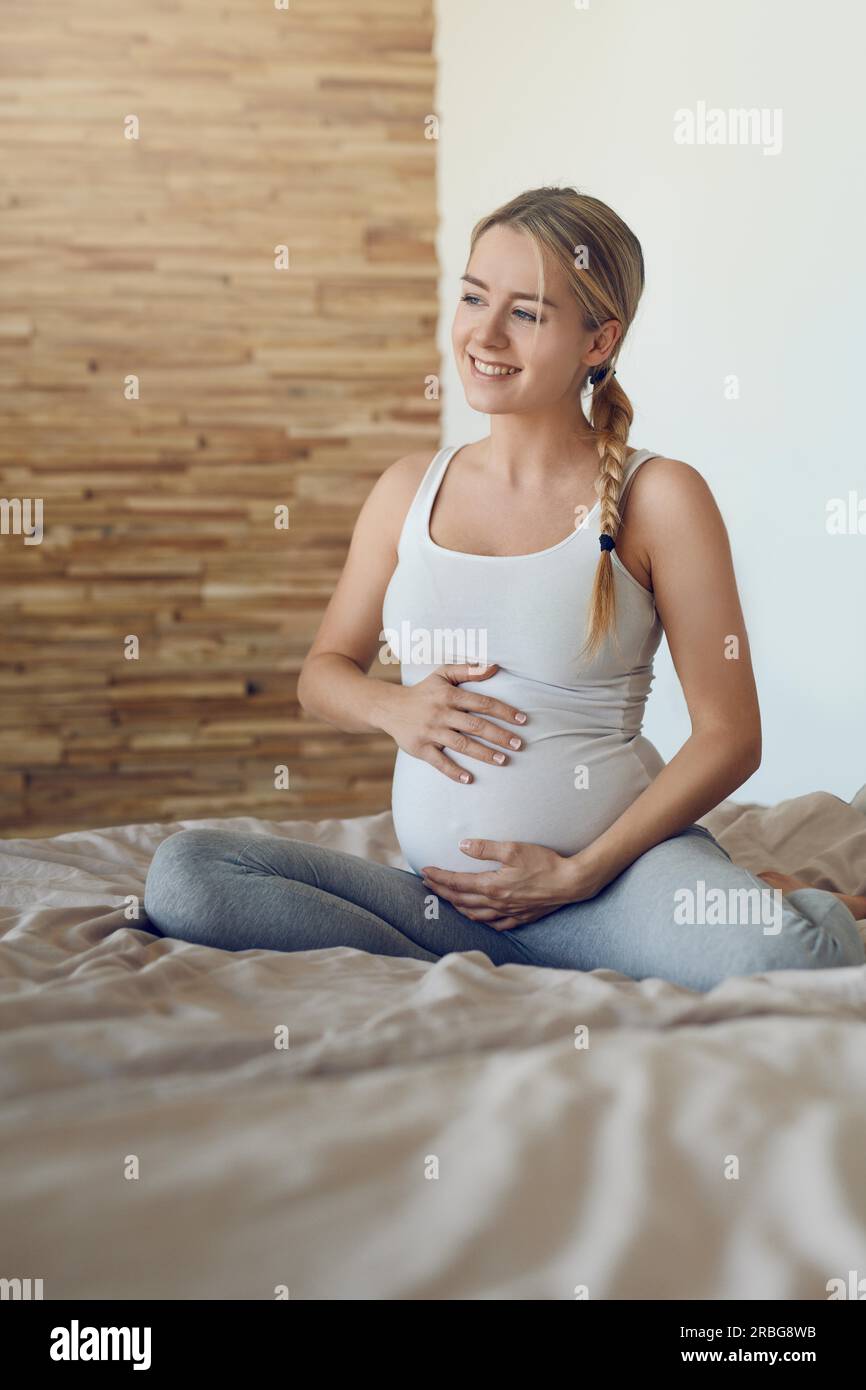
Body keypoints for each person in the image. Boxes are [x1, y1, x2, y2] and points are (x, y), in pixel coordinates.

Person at [144, 186, 865, 993]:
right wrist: (393, 707)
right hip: (441, 903)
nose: (484, 334)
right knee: (188, 877)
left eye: (526, 312)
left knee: (788, 963)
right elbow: (324, 671)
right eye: (474, 297)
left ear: (600, 340)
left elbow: (731, 736)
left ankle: (720, 917)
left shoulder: (661, 497)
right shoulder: (407, 490)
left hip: (612, 881)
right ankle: (523, 947)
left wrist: (580, 874)